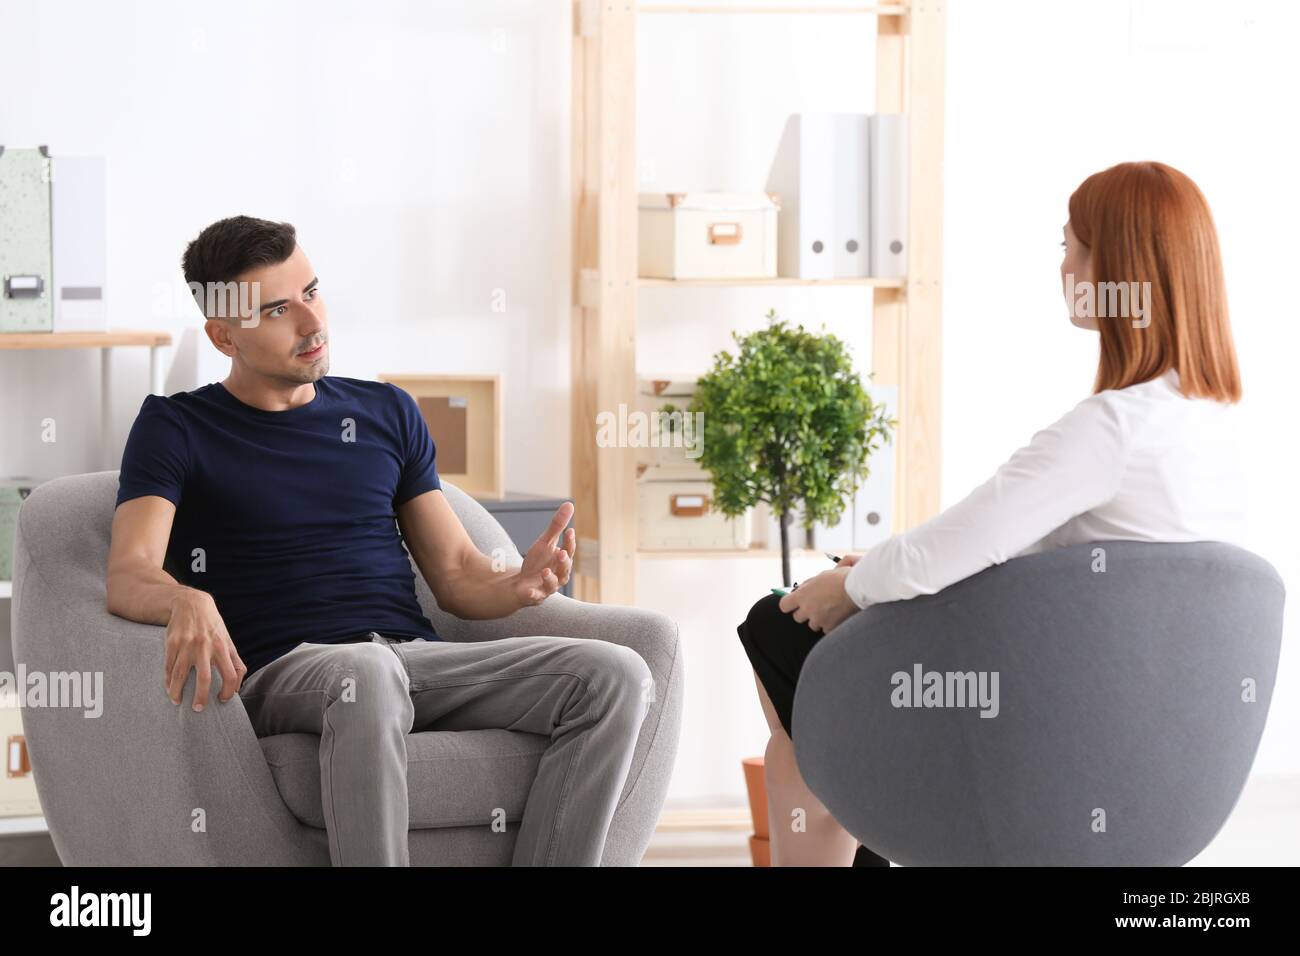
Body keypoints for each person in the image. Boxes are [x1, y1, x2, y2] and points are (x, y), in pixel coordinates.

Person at [737, 160, 1246, 866]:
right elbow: (1082, 574)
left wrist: (849, 587)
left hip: (1041, 736)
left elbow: (955, 546)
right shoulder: (1216, 425)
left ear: (1120, 265)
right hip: (1162, 746)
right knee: (809, 734)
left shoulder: (1111, 429)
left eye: (1072, 245)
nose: (1062, 264)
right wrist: (879, 573)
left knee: (779, 629)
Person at [106, 215, 652, 866]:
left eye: (312, 292)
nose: (312, 324)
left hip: (411, 661)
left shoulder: (386, 411)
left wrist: (516, 586)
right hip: (290, 671)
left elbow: (455, 573)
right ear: (224, 335)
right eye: (278, 309)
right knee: (366, 675)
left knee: (616, 673)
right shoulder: (176, 427)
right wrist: (183, 600)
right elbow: (129, 572)